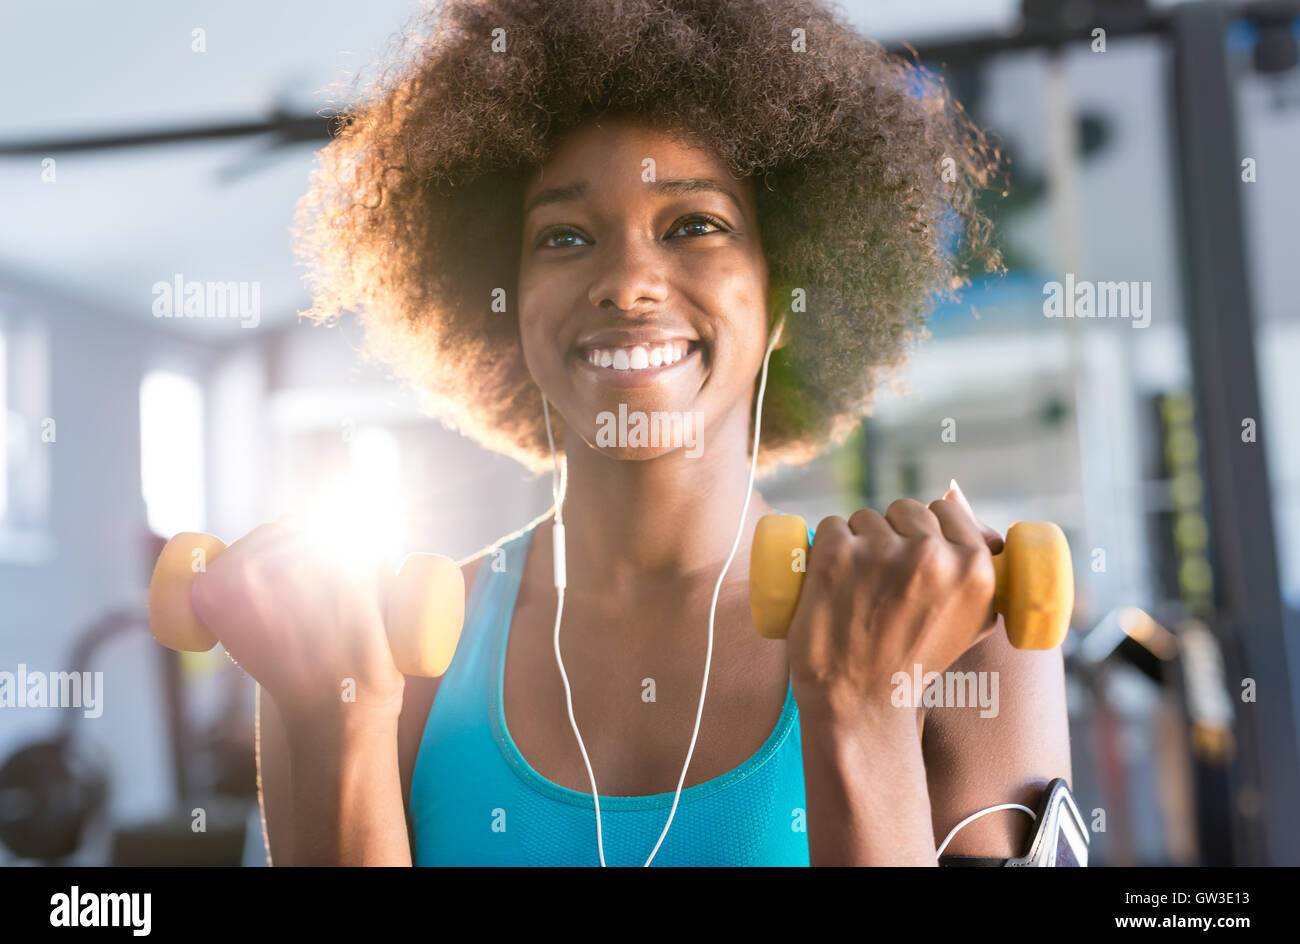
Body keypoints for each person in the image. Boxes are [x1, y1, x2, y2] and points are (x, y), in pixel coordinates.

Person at [222, 0, 1072, 865]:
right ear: (504, 300)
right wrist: (345, 721)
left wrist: (860, 708)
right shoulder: (368, 652)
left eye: (695, 224)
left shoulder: (969, 631)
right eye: (564, 236)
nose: (627, 281)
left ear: (784, 295)